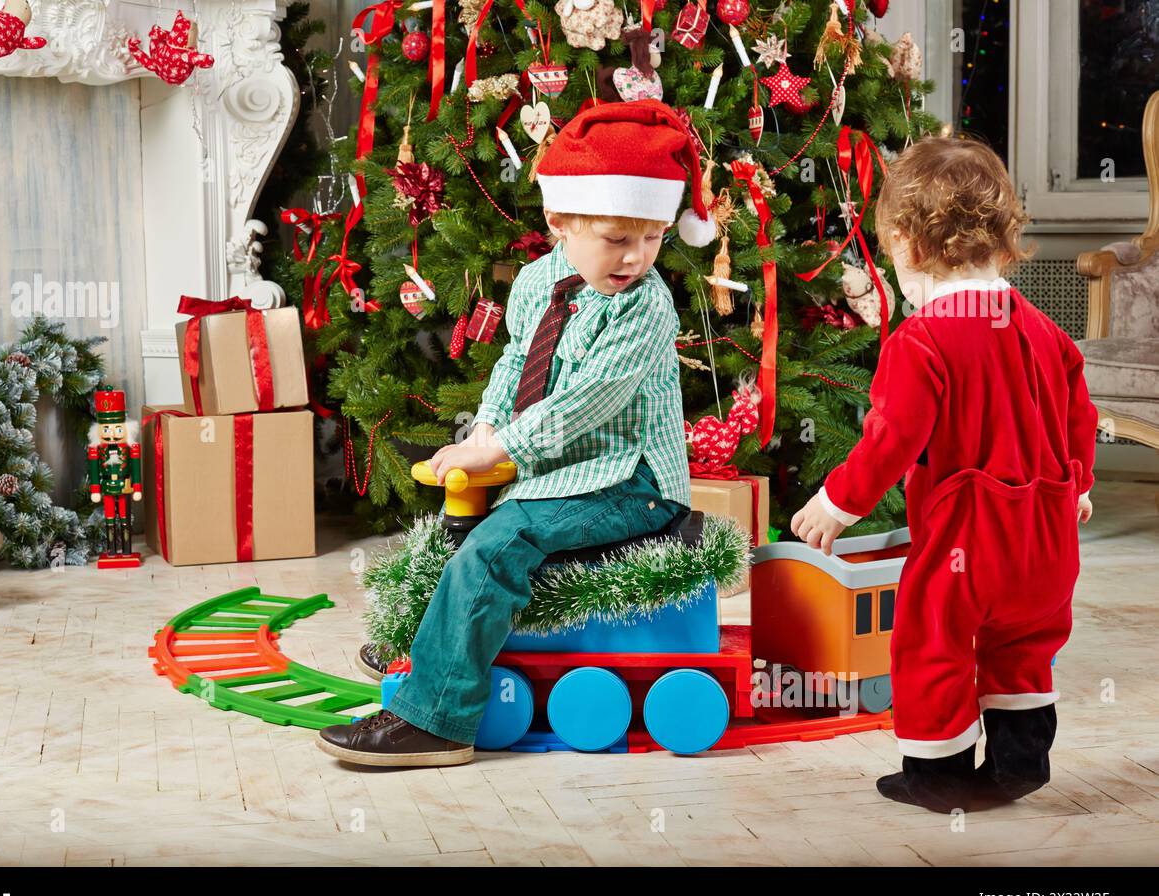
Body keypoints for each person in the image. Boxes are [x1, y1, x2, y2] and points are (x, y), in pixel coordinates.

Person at [318, 100, 712, 767]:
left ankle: (438, 722)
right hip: (555, 468)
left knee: (500, 542)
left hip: (629, 479)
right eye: (618, 239)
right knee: (457, 522)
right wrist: (487, 431)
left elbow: (590, 401)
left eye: (652, 239)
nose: (637, 257)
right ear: (560, 222)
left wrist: (503, 450)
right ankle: (426, 652)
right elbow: (512, 362)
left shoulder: (645, 306)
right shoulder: (536, 282)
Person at [789, 135, 1098, 812]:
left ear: (906, 243)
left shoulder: (923, 339)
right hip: (1048, 535)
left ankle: (939, 773)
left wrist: (838, 503)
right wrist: (1077, 485)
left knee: (935, 640)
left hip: (968, 538)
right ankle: (1020, 760)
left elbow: (892, 438)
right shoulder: (1045, 330)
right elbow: (1080, 414)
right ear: (1004, 240)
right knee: (1025, 640)